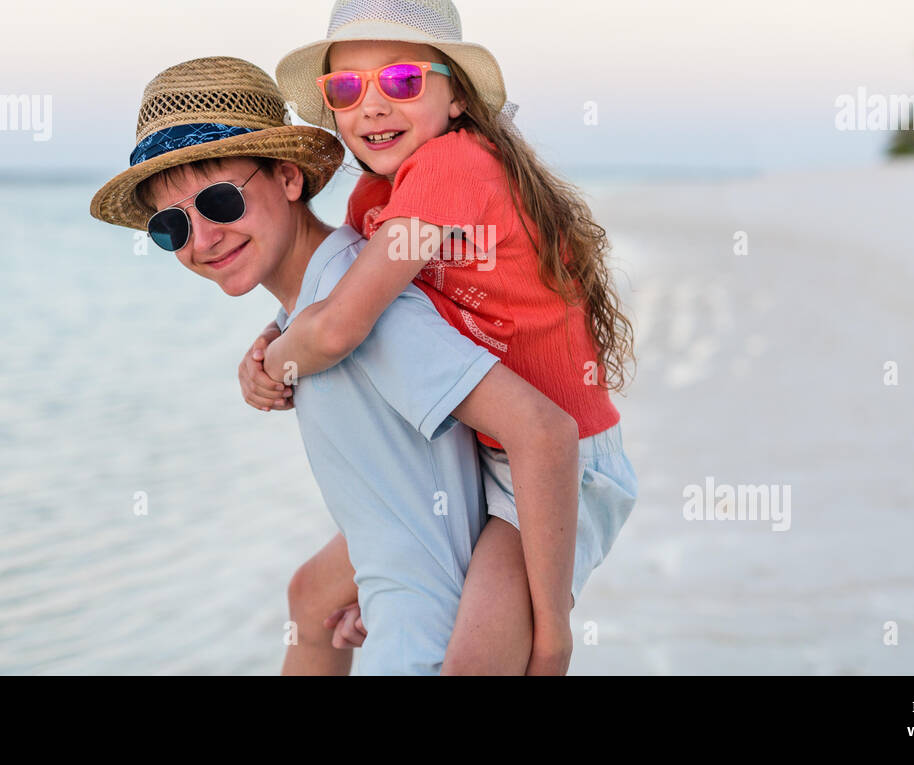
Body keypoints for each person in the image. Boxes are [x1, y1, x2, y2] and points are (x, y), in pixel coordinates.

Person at [90, 56, 580, 674]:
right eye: (172, 224)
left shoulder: (364, 311)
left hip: (419, 637)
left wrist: (548, 628)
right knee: (308, 596)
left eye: (218, 200)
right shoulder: (324, 300)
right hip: (397, 592)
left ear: (290, 178)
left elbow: (541, 432)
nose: (203, 238)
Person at [244, 0, 639, 674]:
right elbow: (330, 290)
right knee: (313, 595)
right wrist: (274, 335)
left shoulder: (455, 165)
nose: (370, 106)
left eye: (400, 80)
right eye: (345, 90)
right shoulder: (377, 192)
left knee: (475, 664)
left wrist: (553, 635)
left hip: (556, 466)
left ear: (457, 94)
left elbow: (339, 327)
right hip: (476, 454)